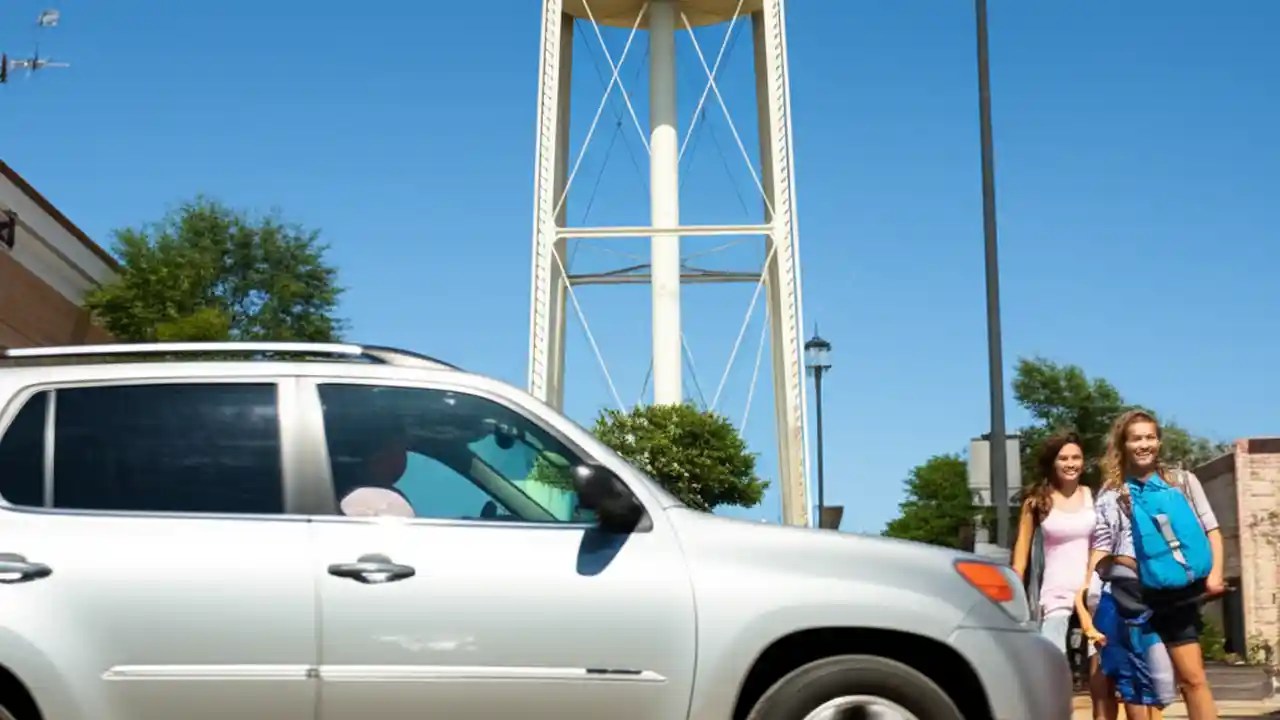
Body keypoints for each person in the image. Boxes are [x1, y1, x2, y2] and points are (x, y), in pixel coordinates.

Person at [1079, 409, 1223, 720]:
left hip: (1173, 593)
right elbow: (1103, 544)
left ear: (1158, 441)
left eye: (1150, 437)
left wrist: (1216, 575)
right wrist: (1087, 591)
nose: (1144, 444)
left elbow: (1212, 529)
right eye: (1136, 439)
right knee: (1135, 690)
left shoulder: (1182, 482)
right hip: (1130, 597)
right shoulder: (1111, 493)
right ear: (1123, 445)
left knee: (1192, 679)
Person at [1012, 431, 1094, 654]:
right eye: (1063, 458)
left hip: (1092, 589)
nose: (1070, 464)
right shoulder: (1037, 502)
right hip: (1055, 594)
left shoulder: (1093, 497)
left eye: (1075, 458)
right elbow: (1021, 551)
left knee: (1102, 662)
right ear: (1053, 463)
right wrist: (1016, 589)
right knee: (1051, 656)